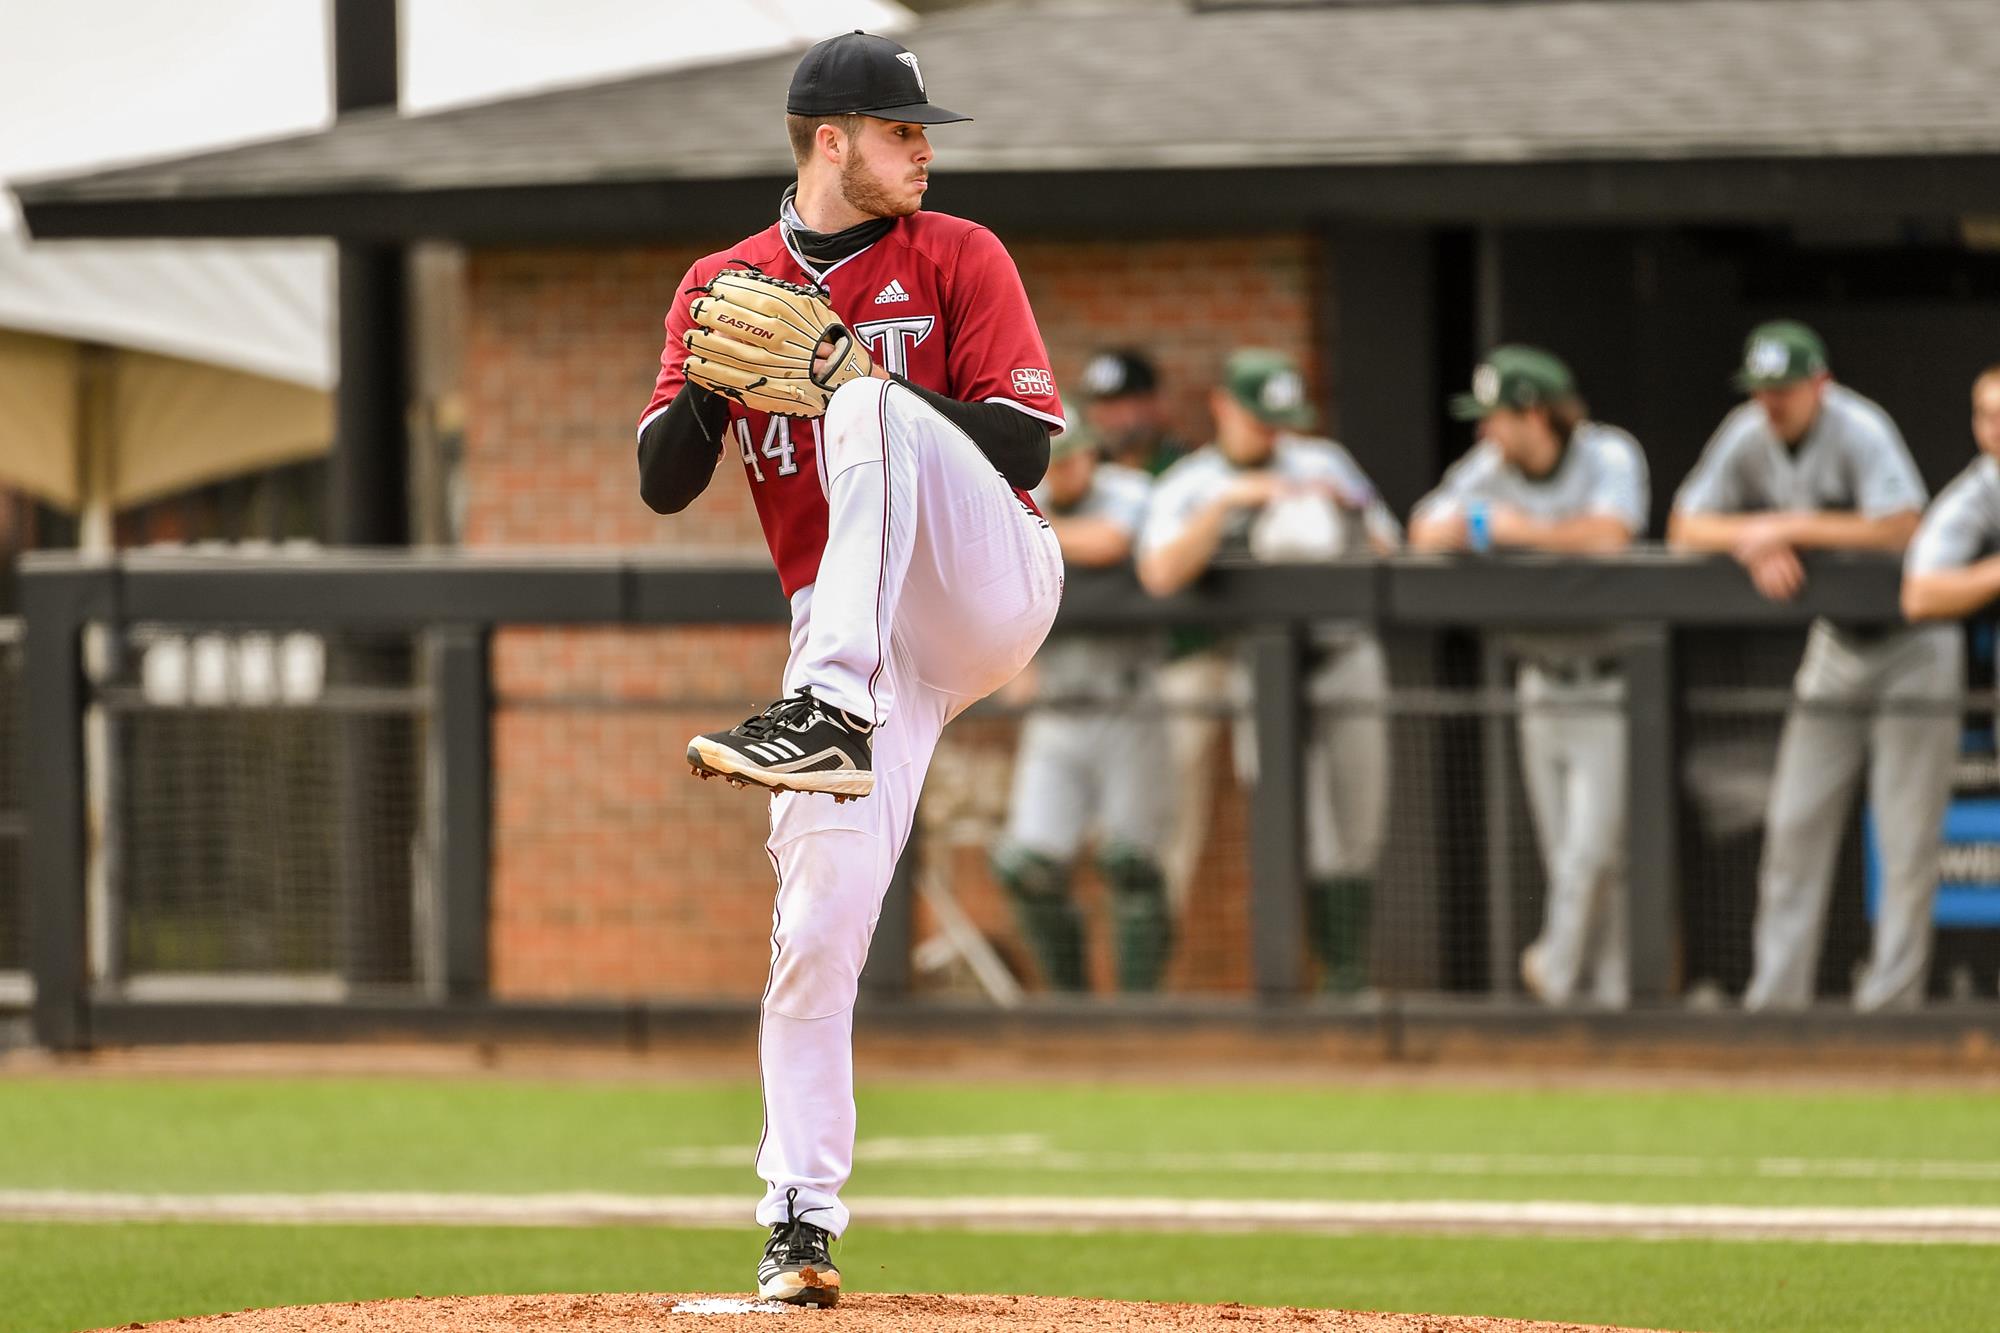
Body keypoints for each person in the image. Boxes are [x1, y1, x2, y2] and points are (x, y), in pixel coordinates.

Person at [634, 30, 1064, 1305]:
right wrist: (715, 378)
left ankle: (823, 709)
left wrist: (846, 373)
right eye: (901, 129)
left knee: (863, 396)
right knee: (815, 932)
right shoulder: (722, 280)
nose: (923, 149)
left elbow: (1029, 449)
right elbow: (663, 484)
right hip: (856, 637)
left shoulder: (959, 254)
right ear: (832, 141)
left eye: (922, 130)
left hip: (986, 583)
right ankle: (798, 1224)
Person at [1669, 320, 1960, 1012]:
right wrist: (1748, 536)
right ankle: (1776, 1008)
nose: (1772, 402)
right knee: (1794, 824)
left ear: (1820, 385)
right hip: (1835, 649)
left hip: (1913, 647)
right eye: (1763, 389)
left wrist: (1788, 526)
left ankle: (1891, 1010)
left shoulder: (1860, 428)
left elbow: (1901, 523)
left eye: (1786, 389)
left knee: (1904, 839)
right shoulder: (1746, 432)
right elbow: (1684, 525)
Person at [1137, 348, 1399, 993]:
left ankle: (1348, 981)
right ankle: (1295, 989)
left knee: (1360, 826)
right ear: (1224, 407)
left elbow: (1394, 548)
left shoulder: (1324, 461)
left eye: (1283, 420)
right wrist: (1225, 508)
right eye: (1261, 418)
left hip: (1345, 656)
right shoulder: (1192, 483)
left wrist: (1347, 508)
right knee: (1303, 828)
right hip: (1263, 667)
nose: (1274, 433)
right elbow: (1160, 573)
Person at [1410, 346, 1650, 1008]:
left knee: (1592, 855)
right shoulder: (1490, 466)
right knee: (1570, 860)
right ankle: (1598, 1002)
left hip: (1609, 682)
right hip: (1540, 680)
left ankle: (1561, 972)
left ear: (1535, 415)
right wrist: (1489, 521)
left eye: (1496, 418)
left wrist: (1517, 529)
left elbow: (1609, 535)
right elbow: (1424, 529)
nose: (1485, 431)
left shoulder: (1608, 454)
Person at [989, 418, 1171, 992]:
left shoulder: (1131, 491)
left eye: (1073, 458)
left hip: (1128, 698)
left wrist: (1031, 531)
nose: (1063, 470)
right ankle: (1074, 1012)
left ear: (1092, 454)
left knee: (1130, 865)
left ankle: (1139, 1015)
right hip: (1057, 705)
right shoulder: (1022, 489)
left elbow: (1110, 542)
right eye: (1054, 459)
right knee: (1027, 867)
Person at [1080, 348, 1191, 476]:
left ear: (1151, 402)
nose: (1100, 415)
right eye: (1095, 403)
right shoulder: (1088, 476)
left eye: (1113, 402)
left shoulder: (1184, 469)